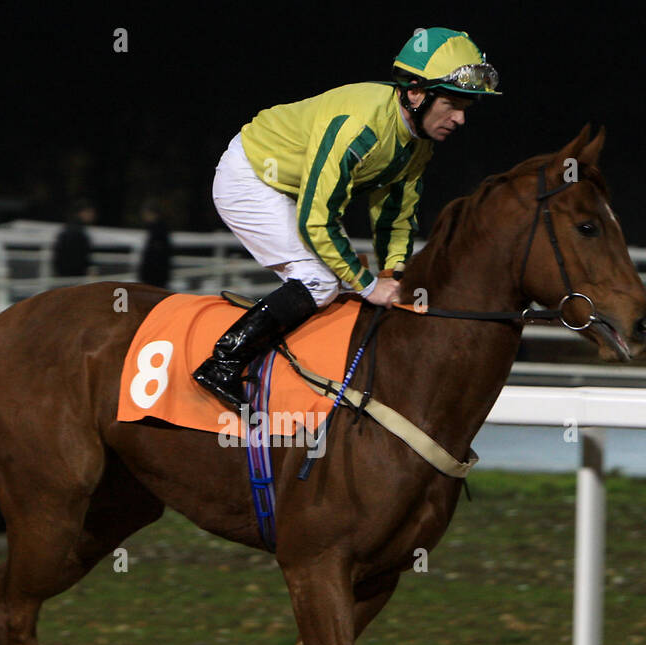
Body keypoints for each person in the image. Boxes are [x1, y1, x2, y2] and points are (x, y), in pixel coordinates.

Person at [193, 28, 499, 408]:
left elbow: (395, 217)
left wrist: (395, 273)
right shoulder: (361, 125)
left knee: (354, 279)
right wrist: (371, 286)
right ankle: (222, 362)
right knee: (321, 280)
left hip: (291, 187)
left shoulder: (417, 143)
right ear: (416, 93)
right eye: (452, 105)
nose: (459, 119)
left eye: (466, 108)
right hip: (252, 177)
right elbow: (316, 220)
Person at [53, 199, 96, 277]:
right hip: (73, 275)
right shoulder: (76, 232)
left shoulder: (70, 229)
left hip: (66, 274)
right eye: (89, 212)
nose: (92, 215)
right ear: (81, 213)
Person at [137, 201, 173, 288]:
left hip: (155, 276)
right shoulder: (154, 229)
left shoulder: (159, 230)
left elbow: (158, 255)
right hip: (155, 276)